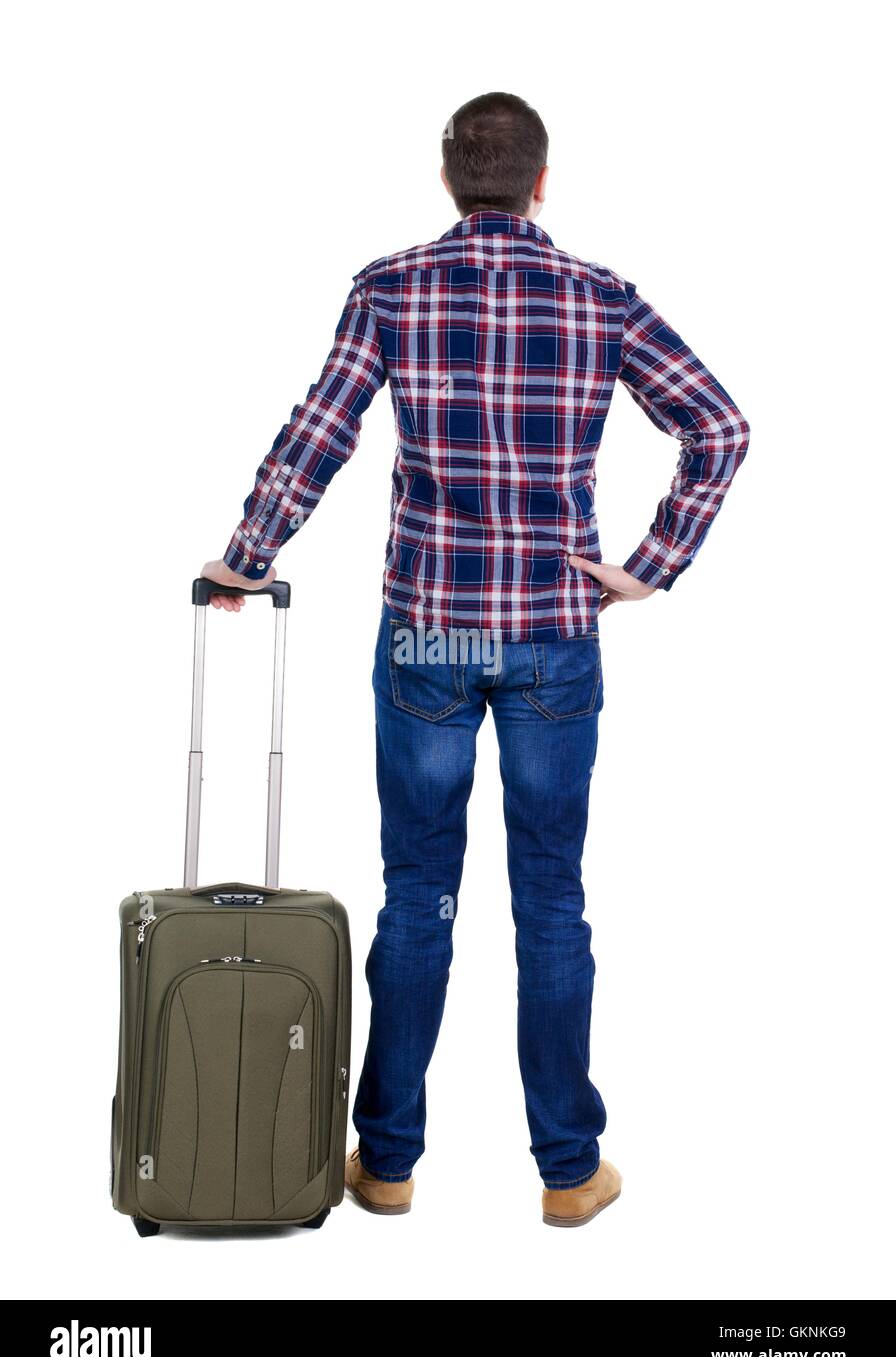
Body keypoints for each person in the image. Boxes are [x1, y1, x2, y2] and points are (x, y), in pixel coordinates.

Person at [200, 91, 750, 1227]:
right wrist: (650, 565)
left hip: (426, 634)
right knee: (550, 901)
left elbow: (321, 429)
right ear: (540, 181)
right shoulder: (600, 298)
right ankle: (566, 1172)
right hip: (553, 632)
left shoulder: (390, 286)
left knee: (418, 897)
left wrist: (246, 556)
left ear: (449, 180)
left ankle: (386, 1163)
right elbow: (719, 424)